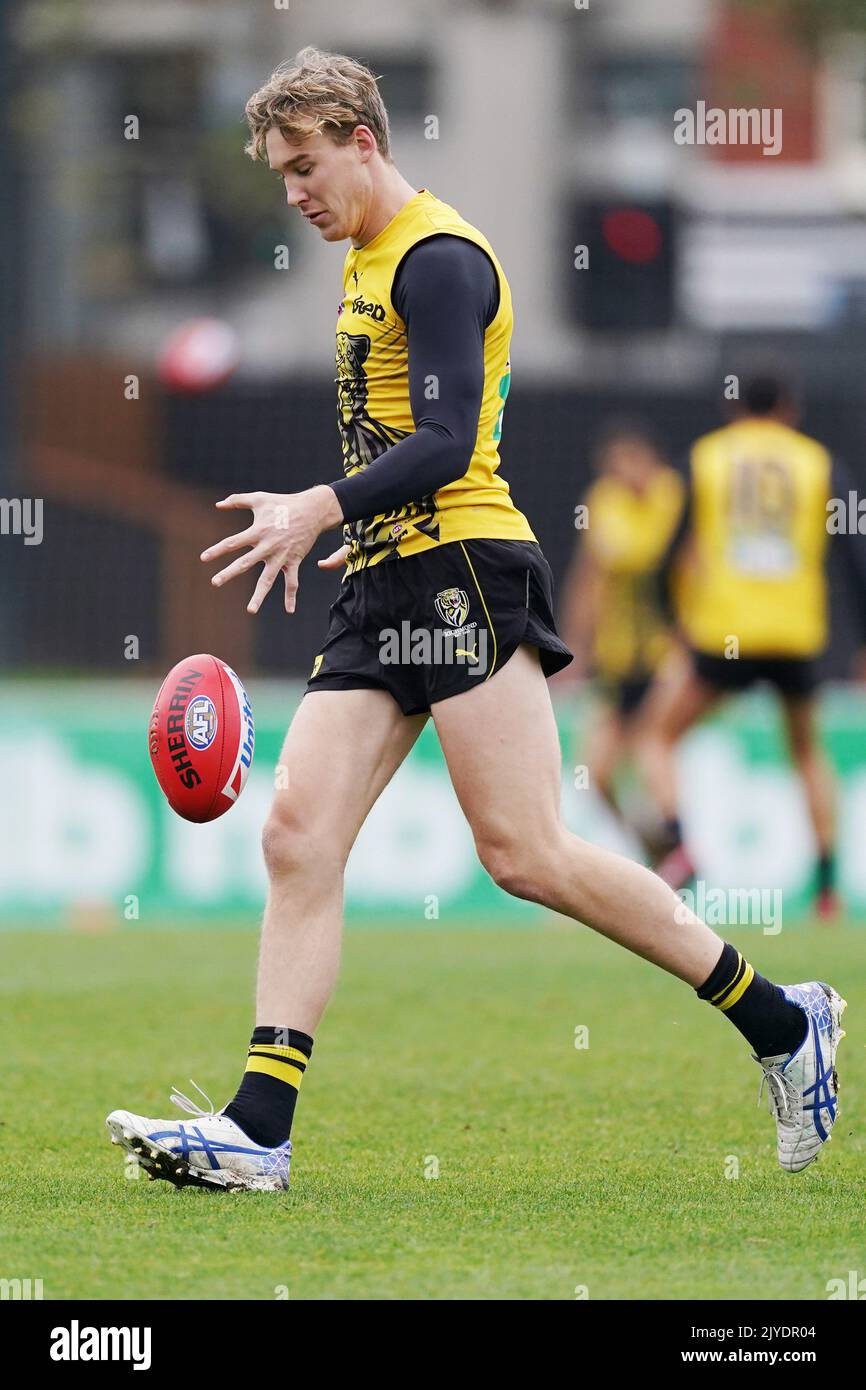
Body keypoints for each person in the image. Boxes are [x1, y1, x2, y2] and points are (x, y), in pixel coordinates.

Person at [106, 51, 845, 1190]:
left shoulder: (438, 258)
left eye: (305, 165)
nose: (293, 191)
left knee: (525, 854)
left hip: (460, 571)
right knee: (296, 832)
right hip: (388, 574)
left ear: (363, 138)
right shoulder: (362, 257)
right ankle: (259, 1128)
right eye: (278, 174)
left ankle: (780, 1022)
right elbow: (403, 438)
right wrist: (358, 521)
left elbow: (450, 444)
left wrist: (321, 504)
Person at [640, 374, 866, 916]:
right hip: (795, 630)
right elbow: (854, 556)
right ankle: (828, 885)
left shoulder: (708, 458)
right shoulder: (817, 462)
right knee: (807, 751)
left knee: (657, 736)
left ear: (732, 405)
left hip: (724, 630)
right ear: (790, 407)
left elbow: (669, 556)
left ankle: (681, 843)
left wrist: (674, 622)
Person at [558, 423, 684, 844]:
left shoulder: (675, 500)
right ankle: (654, 848)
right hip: (618, 660)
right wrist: (575, 645)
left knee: (652, 743)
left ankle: (679, 846)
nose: (622, 477)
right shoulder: (604, 502)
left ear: (650, 461)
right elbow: (588, 579)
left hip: (667, 655)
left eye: (628, 465)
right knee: (593, 772)